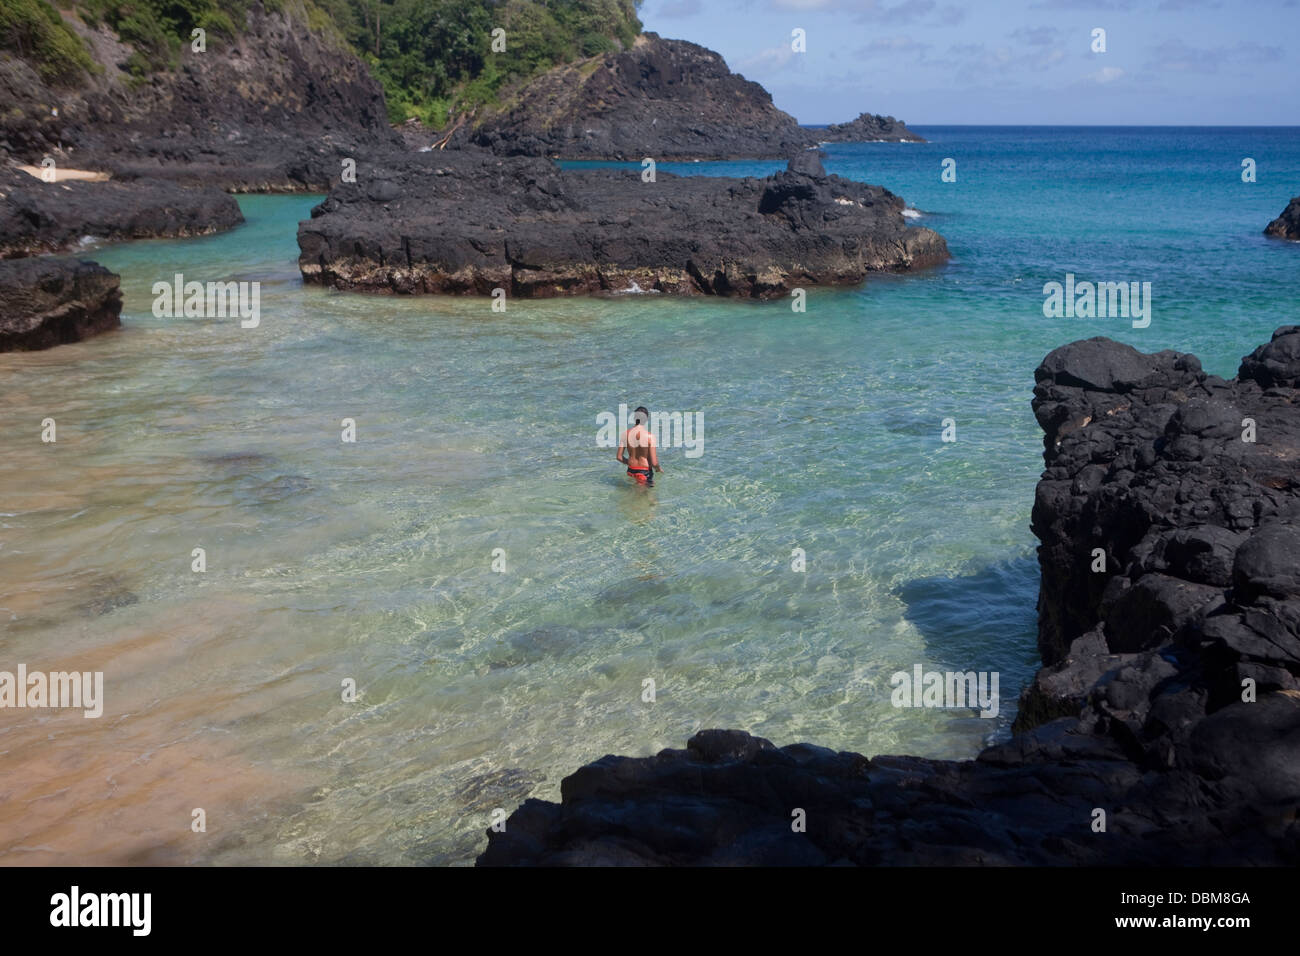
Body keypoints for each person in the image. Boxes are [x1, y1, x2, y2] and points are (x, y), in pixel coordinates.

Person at [618, 405, 661, 486]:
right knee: (649, 496)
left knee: (634, 493)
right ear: (646, 419)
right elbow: (654, 463)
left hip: (630, 470)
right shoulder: (650, 437)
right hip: (644, 472)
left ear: (634, 418)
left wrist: (630, 463)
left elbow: (619, 457)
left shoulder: (625, 434)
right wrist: (658, 469)